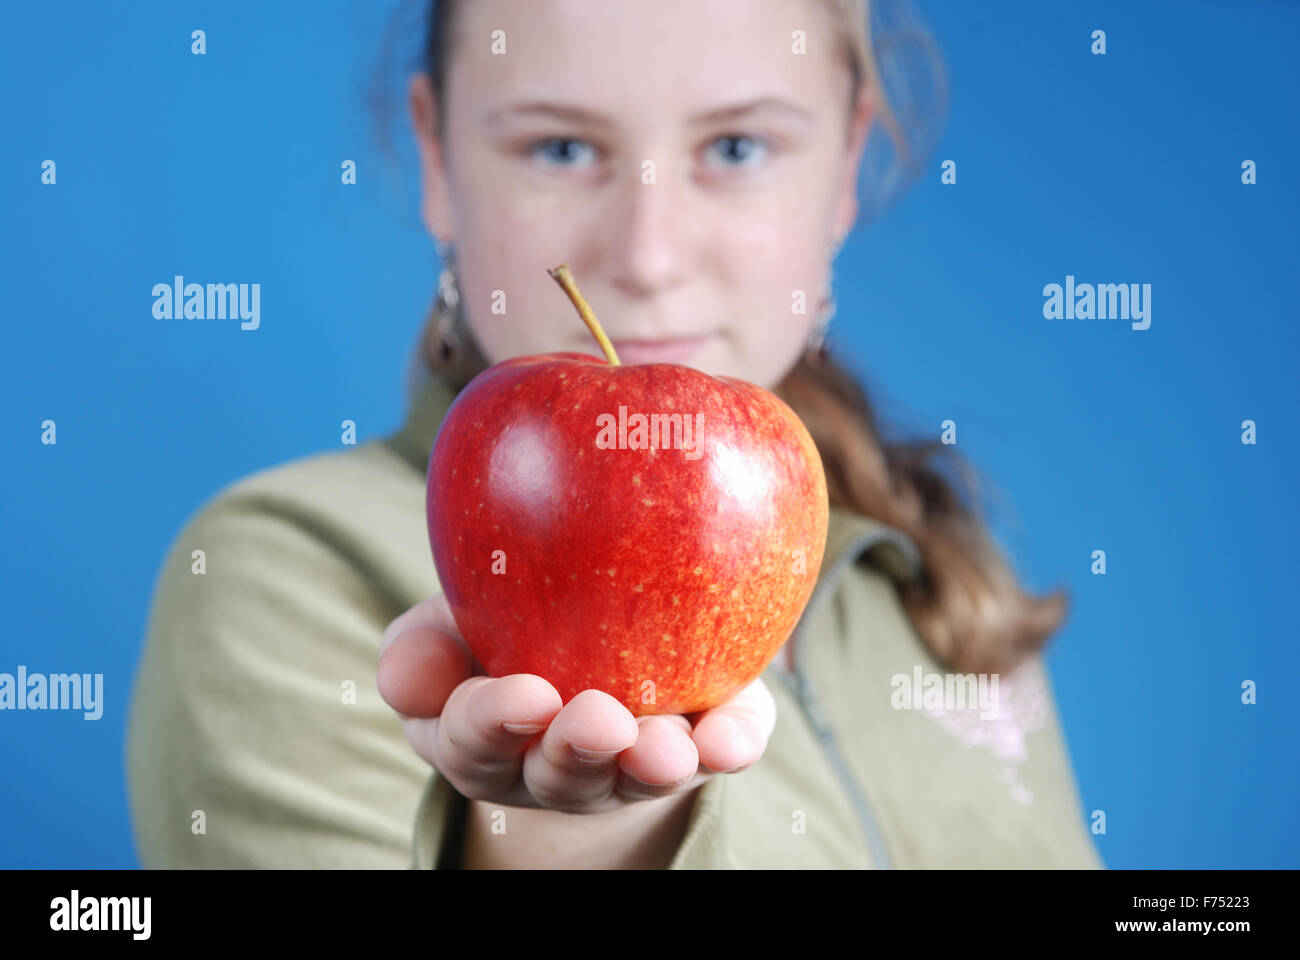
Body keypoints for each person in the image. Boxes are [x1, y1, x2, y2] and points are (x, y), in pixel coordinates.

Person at [127, 0, 1102, 869]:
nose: (647, 255)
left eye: (735, 148)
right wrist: (572, 837)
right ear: (436, 160)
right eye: (559, 147)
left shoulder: (943, 585)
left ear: (844, 167)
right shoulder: (282, 571)